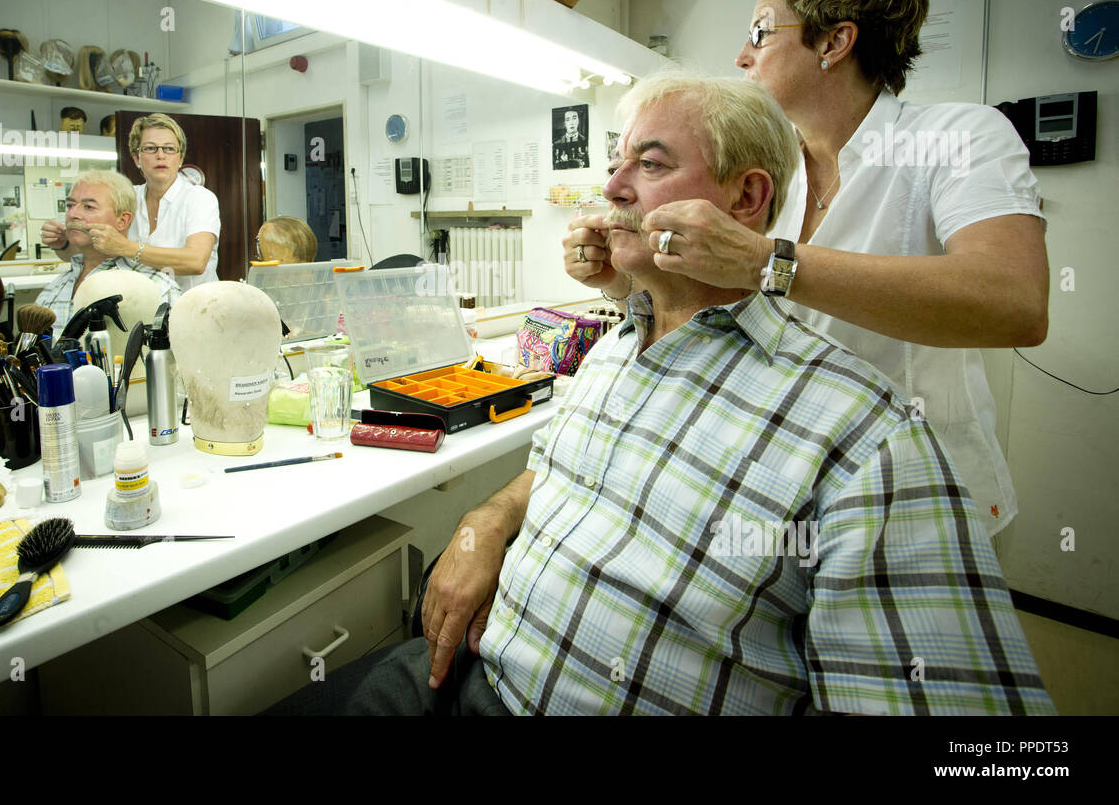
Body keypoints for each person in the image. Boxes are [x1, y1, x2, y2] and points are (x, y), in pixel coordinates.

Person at [267, 75, 1053, 716]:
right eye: (616, 161)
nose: (610, 186)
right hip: (463, 675)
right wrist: (485, 521)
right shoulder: (612, 353)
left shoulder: (859, 436)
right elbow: (558, 473)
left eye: (649, 164)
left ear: (745, 203)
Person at [563, 0, 1048, 539]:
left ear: (834, 42)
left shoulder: (957, 137)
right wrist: (624, 281)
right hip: (782, 480)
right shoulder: (773, 172)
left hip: (914, 489)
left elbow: (1015, 304)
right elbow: (721, 303)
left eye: (762, 32)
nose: (742, 55)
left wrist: (768, 262)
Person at [41, 114, 219, 293]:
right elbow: (93, 253)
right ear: (136, 158)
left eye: (169, 149)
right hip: (141, 307)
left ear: (180, 158)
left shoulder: (199, 198)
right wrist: (63, 244)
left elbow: (196, 261)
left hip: (193, 308)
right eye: (150, 148)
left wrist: (124, 247)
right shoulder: (128, 195)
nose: (160, 155)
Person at [35, 170, 179, 333]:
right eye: (70, 205)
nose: (72, 214)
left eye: (89, 207)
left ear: (122, 221)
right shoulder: (52, 290)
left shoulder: (156, 288)